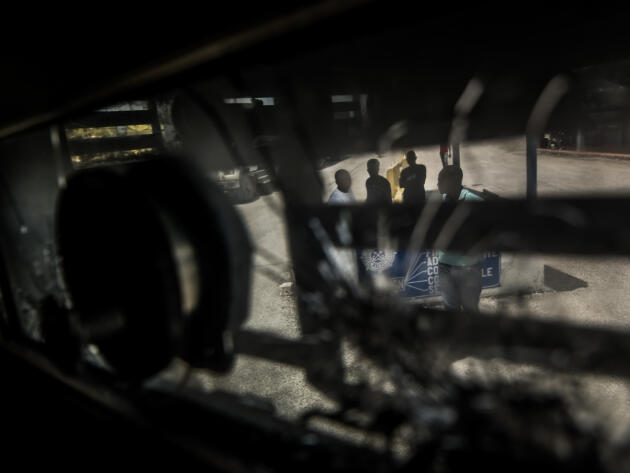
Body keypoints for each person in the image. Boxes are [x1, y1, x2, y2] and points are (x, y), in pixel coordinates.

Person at [437, 165, 484, 312]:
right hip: (444, 266)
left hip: (468, 267)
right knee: (450, 308)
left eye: (440, 180)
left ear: (451, 182)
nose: (437, 184)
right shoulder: (441, 201)